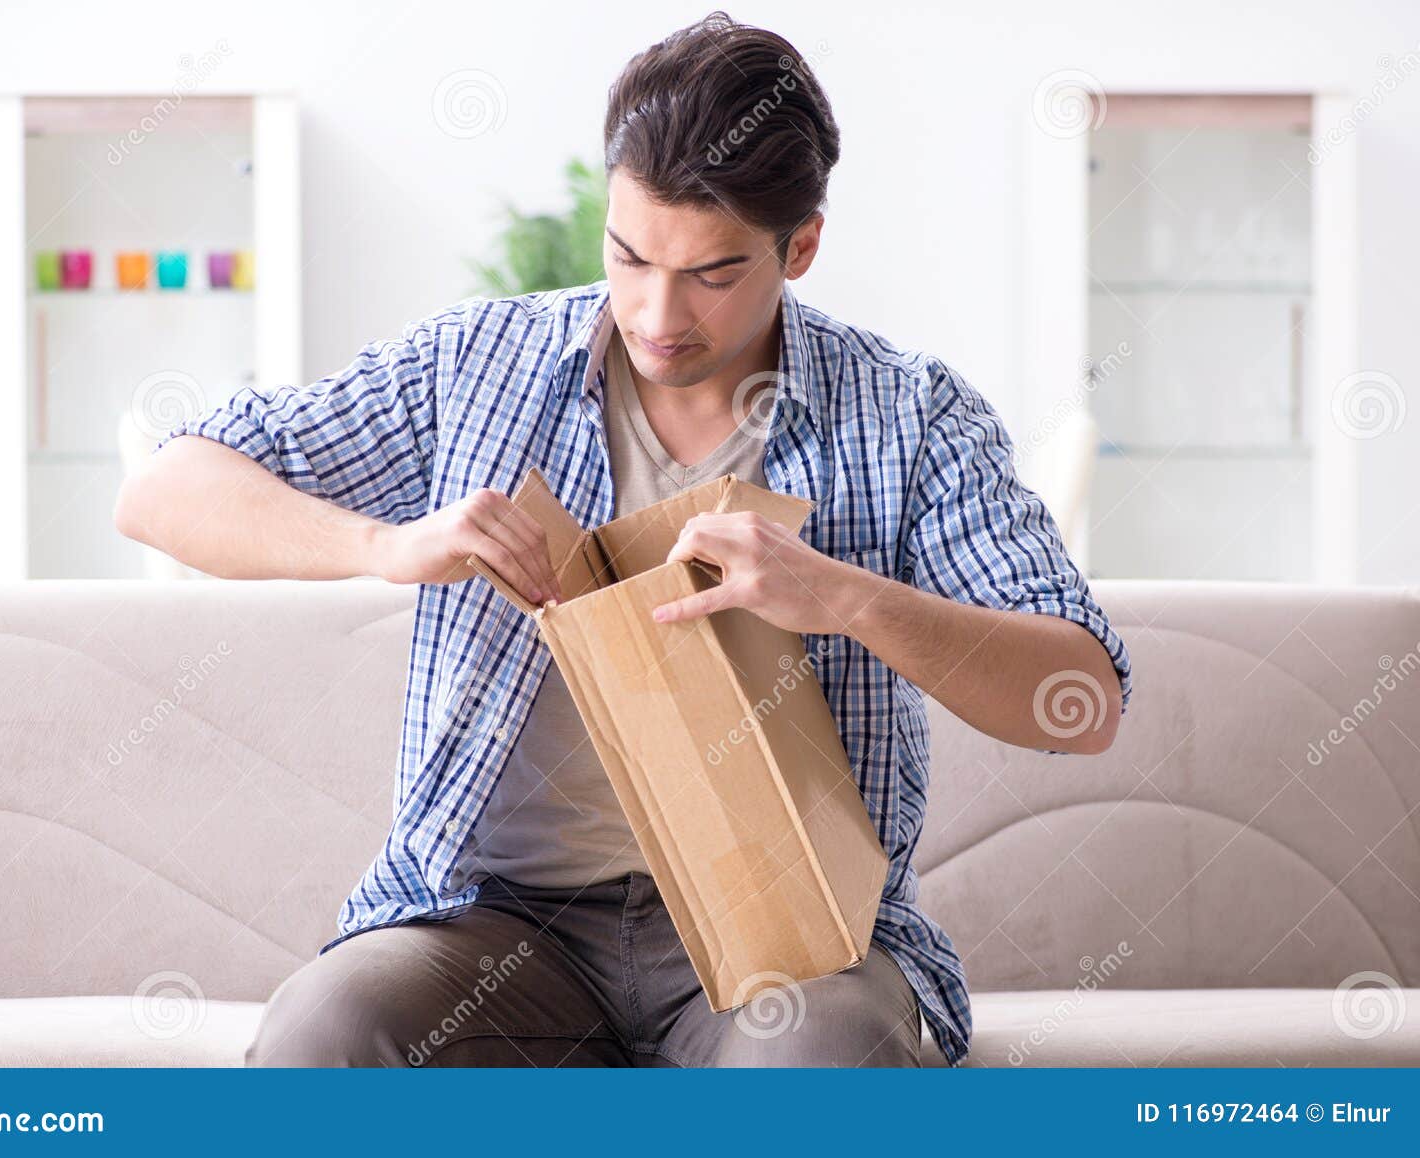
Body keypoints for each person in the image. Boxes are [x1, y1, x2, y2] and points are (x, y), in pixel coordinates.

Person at [115, 12, 1132, 1068]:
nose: (655, 314)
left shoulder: (908, 414)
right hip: (498, 925)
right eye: (629, 256)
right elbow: (164, 491)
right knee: (326, 1030)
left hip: (789, 946)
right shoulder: (478, 367)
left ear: (801, 247)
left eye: (712, 274)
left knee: (820, 1063)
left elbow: (1083, 698)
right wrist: (385, 546)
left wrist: (843, 597)